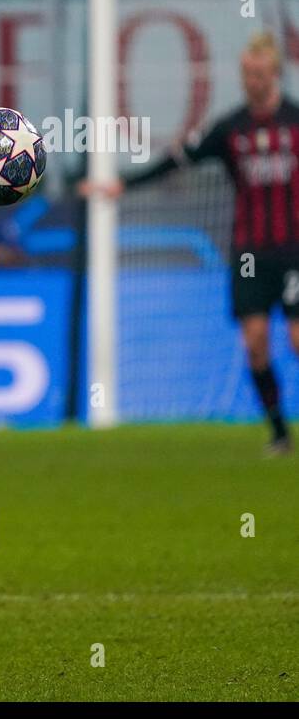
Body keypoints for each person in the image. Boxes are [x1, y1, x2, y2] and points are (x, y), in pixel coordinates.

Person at [83, 31, 299, 454]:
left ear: (275, 73)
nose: (252, 80)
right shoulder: (230, 129)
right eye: (246, 73)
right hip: (250, 252)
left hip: (294, 251)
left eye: (259, 73)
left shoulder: (295, 122)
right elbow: (178, 161)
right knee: (255, 343)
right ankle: (278, 432)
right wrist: (124, 184)